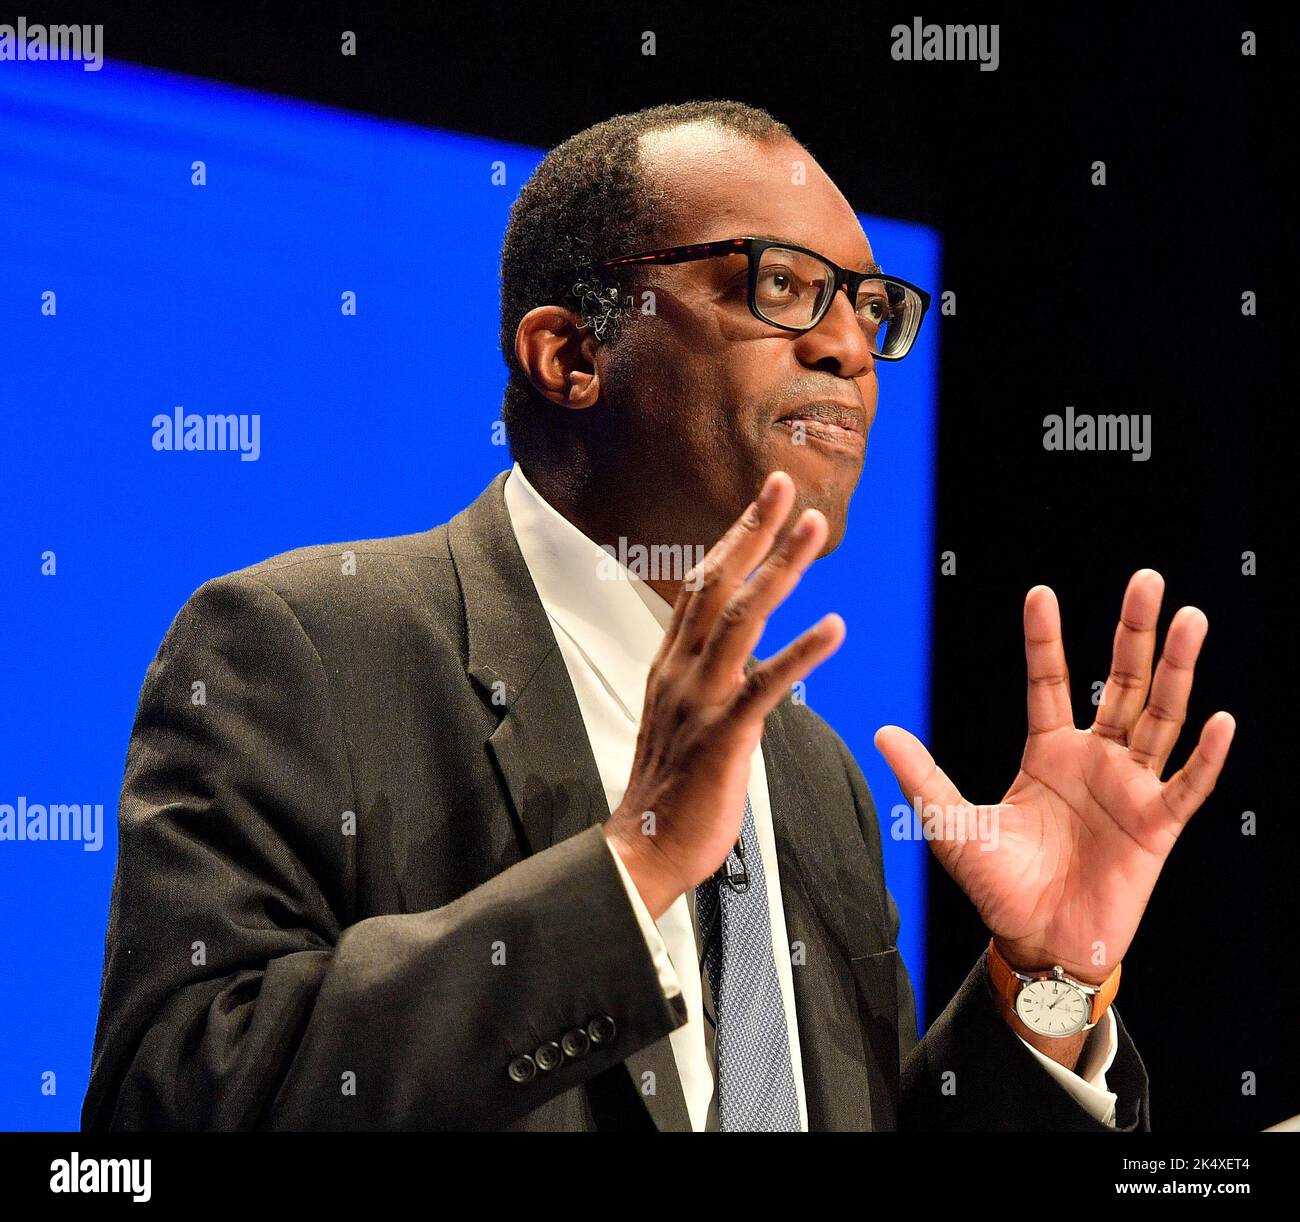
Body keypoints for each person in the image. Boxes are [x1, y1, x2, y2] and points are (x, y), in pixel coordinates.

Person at [82, 101, 1233, 1132]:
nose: (846, 345)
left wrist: (1043, 984)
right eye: (779, 285)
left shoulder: (813, 773)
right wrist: (630, 866)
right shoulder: (304, 648)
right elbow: (173, 1104)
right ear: (571, 353)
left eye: (872, 307)